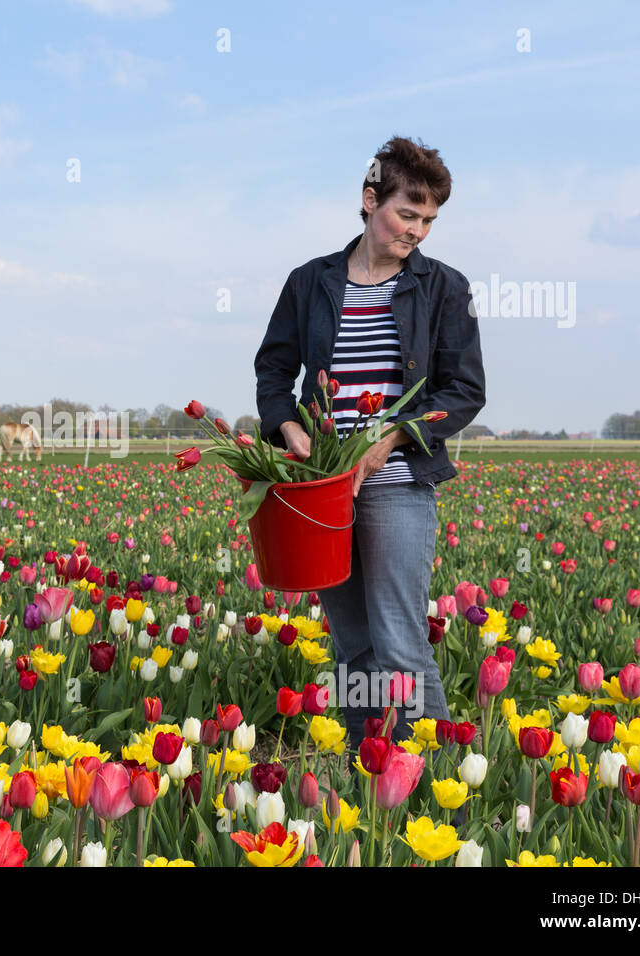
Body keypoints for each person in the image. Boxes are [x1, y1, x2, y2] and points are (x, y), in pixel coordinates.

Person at [253, 136, 486, 754]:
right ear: (369, 199)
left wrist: (398, 434)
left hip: (397, 483)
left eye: (429, 220)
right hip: (320, 490)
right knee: (352, 639)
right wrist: (289, 428)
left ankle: (436, 772)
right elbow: (274, 373)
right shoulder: (310, 283)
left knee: (399, 637)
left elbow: (464, 389)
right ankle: (368, 764)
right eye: (407, 214)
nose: (417, 231)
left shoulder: (444, 288)